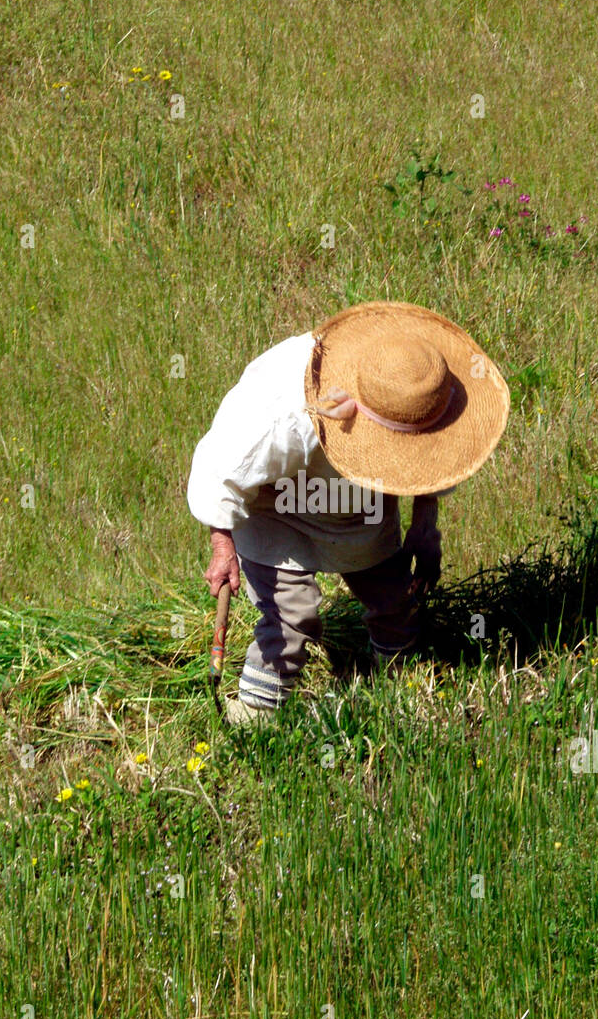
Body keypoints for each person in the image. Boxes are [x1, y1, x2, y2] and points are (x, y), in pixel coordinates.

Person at [187, 300, 509, 723]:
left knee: (396, 595)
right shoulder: (280, 413)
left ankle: (400, 689)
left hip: (357, 505)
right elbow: (220, 470)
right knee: (291, 613)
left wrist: (425, 527)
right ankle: (255, 719)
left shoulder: (418, 380)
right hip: (276, 505)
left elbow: (434, 456)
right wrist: (222, 547)